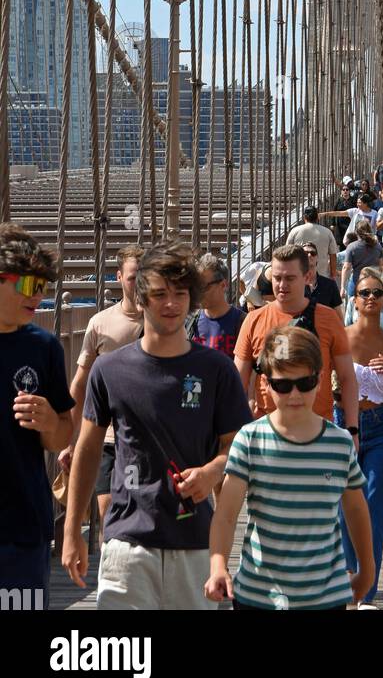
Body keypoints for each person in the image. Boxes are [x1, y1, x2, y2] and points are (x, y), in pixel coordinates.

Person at [62, 244, 251, 610]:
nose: (171, 304)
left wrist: (212, 472)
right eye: (160, 294)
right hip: (126, 542)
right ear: (142, 297)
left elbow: (239, 446)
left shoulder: (217, 370)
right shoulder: (109, 369)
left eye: (180, 294)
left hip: (196, 543)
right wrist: (72, 531)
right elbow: (87, 450)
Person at [205, 326, 374, 611]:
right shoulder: (250, 439)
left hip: (325, 596)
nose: (295, 393)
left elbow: (356, 510)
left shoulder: (340, 443)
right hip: (258, 594)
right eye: (283, 385)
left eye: (304, 383)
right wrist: (218, 564)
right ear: (267, 384)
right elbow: (226, 515)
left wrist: (366, 571)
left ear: (320, 380)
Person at [0, 225, 73, 607]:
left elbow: (63, 435)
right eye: (30, 285)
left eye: (44, 286)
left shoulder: (43, 346)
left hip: (21, 531)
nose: (40, 297)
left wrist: (50, 423)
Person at [234, 245, 359, 446]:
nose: (282, 285)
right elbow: (237, 382)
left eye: (290, 278)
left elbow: (347, 377)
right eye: (277, 278)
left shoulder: (328, 318)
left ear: (307, 277)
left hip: (318, 435)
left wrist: (352, 428)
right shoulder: (253, 320)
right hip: (266, 437)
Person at [335, 267, 383, 607]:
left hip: (381, 427)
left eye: (378, 293)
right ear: (354, 299)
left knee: (376, 507)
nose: (371, 299)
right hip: (341, 425)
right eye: (365, 293)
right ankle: (350, 576)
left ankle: (366, 591)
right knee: (343, 506)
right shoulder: (339, 337)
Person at [60, 243, 144, 528]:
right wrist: (70, 440)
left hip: (147, 435)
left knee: (142, 512)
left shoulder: (165, 323)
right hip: (107, 435)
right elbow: (80, 383)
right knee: (108, 511)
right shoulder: (100, 324)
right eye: (134, 276)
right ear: (119, 277)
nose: (139, 283)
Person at [188, 253, 245, 357]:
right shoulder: (191, 322)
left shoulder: (242, 322)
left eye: (203, 287)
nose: (198, 292)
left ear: (223, 285)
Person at [341, 221, 383, 311]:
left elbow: (346, 267)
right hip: (374, 283)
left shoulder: (352, 247)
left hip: (356, 282)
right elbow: (381, 267)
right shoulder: (377, 246)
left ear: (356, 232)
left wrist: (342, 287)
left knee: (352, 310)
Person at [288, 206, 338, 279]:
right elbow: (333, 255)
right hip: (322, 275)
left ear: (304, 217)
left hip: (300, 275)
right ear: (317, 217)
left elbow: (288, 253)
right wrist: (333, 274)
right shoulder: (327, 232)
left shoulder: (295, 231)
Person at [302, 243, 342, 311]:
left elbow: (339, 316)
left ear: (317, 258)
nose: (309, 255)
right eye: (305, 253)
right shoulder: (295, 284)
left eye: (313, 253)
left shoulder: (330, 285)